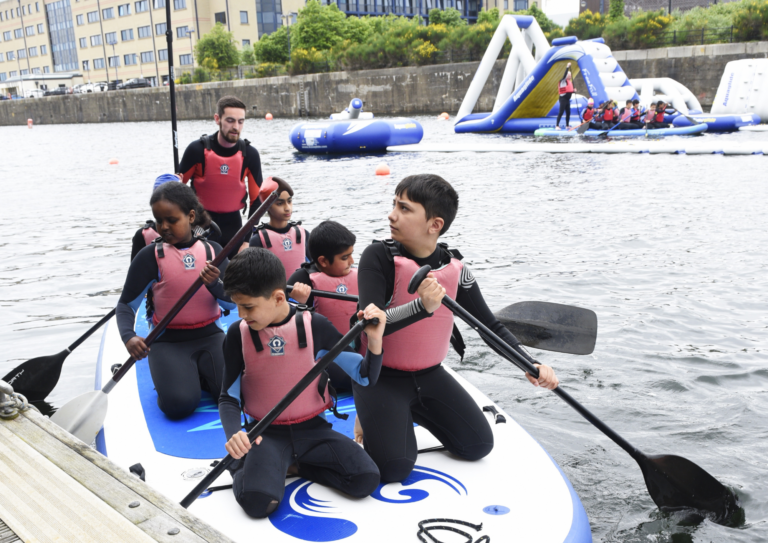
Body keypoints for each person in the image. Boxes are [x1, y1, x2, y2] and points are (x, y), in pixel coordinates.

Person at [353, 174, 559, 483]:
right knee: (394, 468)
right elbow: (370, 326)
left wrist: (528, 364)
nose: (391, 215)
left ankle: (398, 414)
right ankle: (374, 413)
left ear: (434, 225)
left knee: (477, 445)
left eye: (404, 209)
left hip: (429, 373)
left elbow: (488, 325)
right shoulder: (378, 257)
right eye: (394, 204)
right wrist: (421, 308)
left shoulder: (456, 269)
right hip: (379, 375)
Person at [218, 248, 386, 519]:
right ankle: (242, 465)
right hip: (265, 434)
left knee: (365, 479)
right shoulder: (238, 335)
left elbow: (365, 376)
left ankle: (295, 466)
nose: (241, 314)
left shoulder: (315, 326)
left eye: (248, 306)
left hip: (313, 431)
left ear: (278, 297)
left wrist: (375, 341)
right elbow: (228, 397)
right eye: (237, 305)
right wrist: (234, 434)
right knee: (259, 503)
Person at [117, 182, 235, 420]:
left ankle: (197, 375)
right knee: (179, 405)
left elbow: (233, 304)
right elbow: (126, 305)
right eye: (159, 220)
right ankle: (177, 377)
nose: (163, 227)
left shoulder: (214, 252)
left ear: (191, 216)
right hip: (167, 341)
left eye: (171, 219)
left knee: (234, 396)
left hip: (210, 336)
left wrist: (214, 285)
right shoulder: (150, 256)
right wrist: (129, 337)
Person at [178, 96, 264, 254]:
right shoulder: (196, 150)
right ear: (217, 119)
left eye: (240, 121)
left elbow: (256, 200)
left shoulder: (250, 154)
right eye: (230, 120)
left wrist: (246, 241)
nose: (236, 127)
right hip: (200, 225)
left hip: (234, 229)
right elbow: (175, 192)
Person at [288, 220, 358, 335]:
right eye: (345, 258)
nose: (352, 261)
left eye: (351, 254)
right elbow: (285, 323)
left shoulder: (358, 275)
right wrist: (296, 302)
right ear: (323, 261)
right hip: (321, 349)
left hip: (355, 346)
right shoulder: (301, 280)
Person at [249, 177, 311, 280]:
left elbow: (316, 268)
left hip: (302, 293)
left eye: (289, 201)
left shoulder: (303, 233)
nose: (287, 208)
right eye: (280, 203)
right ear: (266, 207)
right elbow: (256, 277)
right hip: (275, 294)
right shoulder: (258, 240)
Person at [555, 63, 576, 130]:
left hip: (567, 99)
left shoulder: (569, 82)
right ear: (566, 76)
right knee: (561, 112)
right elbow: (564, 75)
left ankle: (567, 125)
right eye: (569, 76)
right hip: (563, 99)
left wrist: (573, 91)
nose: (570, 77)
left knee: (568, 112)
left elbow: (569, 90)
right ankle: (557, 125)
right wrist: (567, 67)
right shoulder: (563, 81)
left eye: (570, 76)